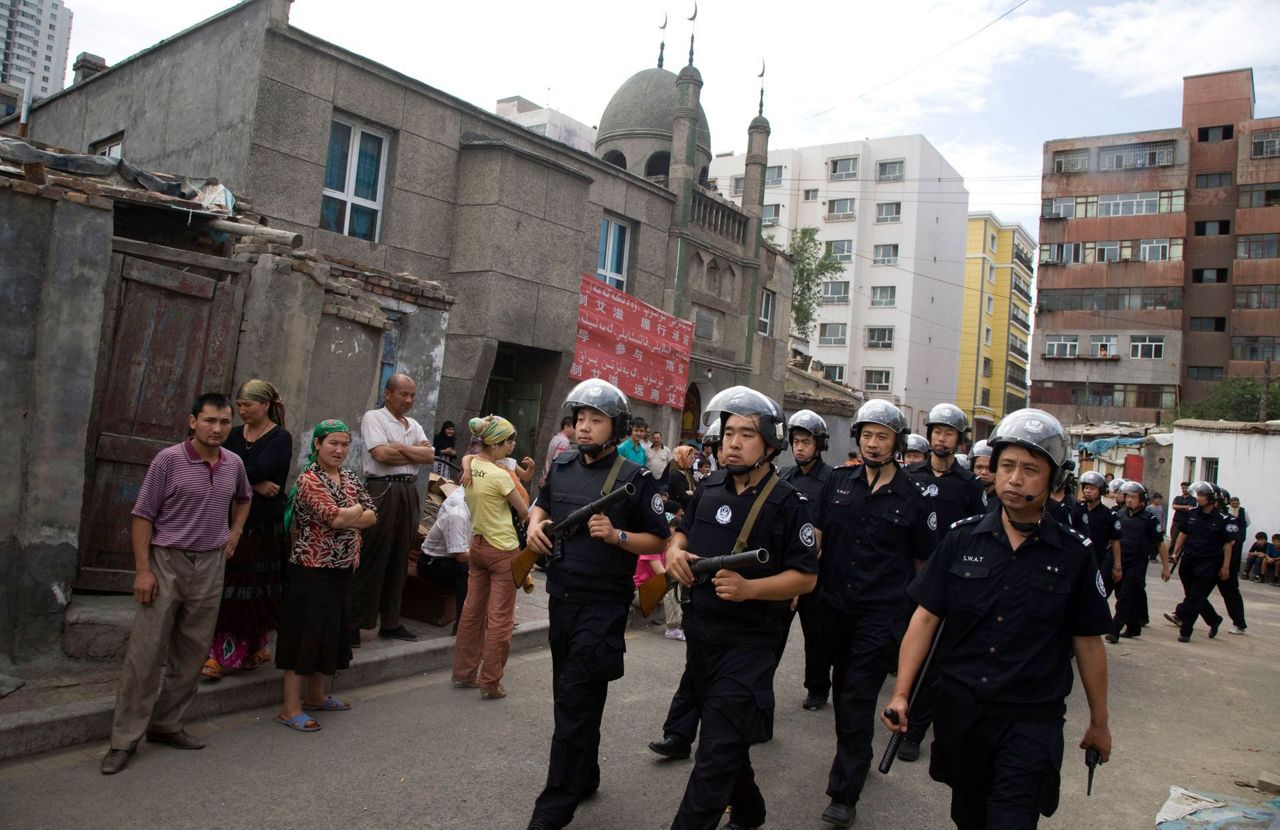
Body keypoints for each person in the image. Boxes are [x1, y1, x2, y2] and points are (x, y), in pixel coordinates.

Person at [883, 408, 1112, 830]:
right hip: (963, 714)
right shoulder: (961, 538)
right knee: (968, 817)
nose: (1014, 478)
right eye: (1007, 465)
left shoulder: (1075, 554)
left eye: (1030, 469)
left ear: (1054, 479)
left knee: (1011, 819)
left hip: (1031, 719)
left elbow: (1088, 643)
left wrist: (1099, 722)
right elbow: (926, 619)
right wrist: (900, 693)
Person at [660, 386, 818, 830]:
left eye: (746, 434)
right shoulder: (708, 486)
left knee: (714, 752)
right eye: (729, 432)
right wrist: (674, 551)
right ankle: (749, 811)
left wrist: (750, 589)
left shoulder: (788, 503)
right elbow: (681, 532)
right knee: (726, 741)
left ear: (769, 444)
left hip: (749, 646)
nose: (733, 442)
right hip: (702, 636)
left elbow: (806, 577)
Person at [525, 380, 670, 830]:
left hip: (603, 606)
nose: (583, 429)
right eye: (579, 420)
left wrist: (618, 536)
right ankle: (584, 775)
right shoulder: (563, 464)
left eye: (595, 420)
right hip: (561, 598)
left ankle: (553, 808)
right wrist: (534, 525)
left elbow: (660, 538)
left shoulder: (634, 479)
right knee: (569, 698)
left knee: (575, 700)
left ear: (617, 427)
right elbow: (541, 504)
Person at [101, 393, 252, 775]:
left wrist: (234, 531)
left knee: (192, 652)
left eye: (223, 422)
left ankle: (166, 724)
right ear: (192, 421)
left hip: (211, 564)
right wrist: (143, 570)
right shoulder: (168, 460)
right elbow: (142, 515)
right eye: (209, 421)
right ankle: (124, 740)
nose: (217, 429)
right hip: (167, 560)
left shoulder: (233, 463)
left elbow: (244, 498)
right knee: (146, 653)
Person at [815, 400, 937, 827]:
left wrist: (914, 617)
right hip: (834, 607)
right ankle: (858, 753)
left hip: (879, 615)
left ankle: (844, 793)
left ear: (896, 442)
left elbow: (923, 565)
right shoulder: (839, 481)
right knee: (841, 685)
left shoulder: (913, 496)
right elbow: (819, 538)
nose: (872, 443)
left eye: (881, 436)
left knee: (857, 695)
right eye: (866, 435)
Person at [275, 420, 377, 732]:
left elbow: (373, 514)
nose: (339, 450)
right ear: (317, 444)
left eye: (345, 444)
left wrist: (353, 513)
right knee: (302, 633)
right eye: (333, 443)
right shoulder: (309, 480)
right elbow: (333, 519)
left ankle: (317, 695)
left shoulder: (348, 477)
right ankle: (290, 707)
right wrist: (354, 512)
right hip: (311, 568)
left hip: (344, 567)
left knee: (329, 632)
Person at [898, 403, 986, 763]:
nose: (941, 438)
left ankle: (915, 731)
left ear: (959, 440)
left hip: (949, 584)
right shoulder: (910, 476)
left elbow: (977, 536)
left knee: (935, 662)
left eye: (949, 433)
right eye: (936, 431)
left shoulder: (969, 486)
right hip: (910, 579)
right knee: (906, 652)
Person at [202, 379, 291, 681]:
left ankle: (253, 646)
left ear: (265, 405)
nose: (241, 411)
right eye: (238, 405)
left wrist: (245, 477)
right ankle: (223, 653)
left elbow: (248, 468)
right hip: (230, 521)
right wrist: (253, 484)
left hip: (263, 527)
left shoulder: (280, 438)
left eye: (247, 405)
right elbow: (217, 464)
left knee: (256, 589)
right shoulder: (234, 435)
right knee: (231, 589)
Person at [452, 416, 530, 699]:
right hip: (504, 551)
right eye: (509, 441)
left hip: (478, 545)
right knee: (500, 619)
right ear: (496, 444)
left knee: (472, 613)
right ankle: (490, 681)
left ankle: (463, 673)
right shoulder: (501, 476)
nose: (512, 445)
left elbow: (467, 458)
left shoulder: (472, 465)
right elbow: (524, 513)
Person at [354, 373, 434, 645]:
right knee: (373, 553)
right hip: (382, 489)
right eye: (404, 394)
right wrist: (413, 451)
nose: (409, 400)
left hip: (408, 490)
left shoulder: (413, 424)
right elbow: (381, 455)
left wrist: (400, 448)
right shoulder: (374, 418)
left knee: (401, 556)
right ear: (388, 394)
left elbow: (429, 456)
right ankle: (356, 621)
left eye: (412, 395)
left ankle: (391, 621)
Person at [779, 410, 835, 713]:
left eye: (806, 442)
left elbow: (827, 530)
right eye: (796, 441)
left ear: (819, 444)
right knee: (773, 631)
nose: (800, 448)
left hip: (815, 572)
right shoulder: (784, 476)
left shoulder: (831, 479)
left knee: (816, 635)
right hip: (782, 569)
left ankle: (816, 688)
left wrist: (806, 574)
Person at [1163, 481, 1234, 642]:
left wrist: (1225, 567)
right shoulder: (1192, 513)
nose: (1198, 498)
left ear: (1212, 498)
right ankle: (1214, 619)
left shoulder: (1223, 519)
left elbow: (1228, 545)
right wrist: (1174, 553)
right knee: (1194, 596)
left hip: (1208, 563)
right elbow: (1183, 534)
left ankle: (1185, 629)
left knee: (1195, 595)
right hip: (1188, 560)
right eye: (1198, 495)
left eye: (1202, 495)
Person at [1107, 481, 1169, 642]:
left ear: (1142, 500)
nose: (1129, 500)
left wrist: (1166, 567)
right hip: (1119, 562)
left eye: (1133, 497)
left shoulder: (1149, 519)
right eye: (1127, 497)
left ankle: (1114, 630)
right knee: (1123, 596)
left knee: (1126, 597)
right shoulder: (1118, 515)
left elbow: (1160, 544)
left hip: (1137, 565)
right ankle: (1134, 626)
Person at [419, 486, 472, 635]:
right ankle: (463, 627)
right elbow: (460, 556)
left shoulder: (478, 512)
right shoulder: (458, 515)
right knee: (466, 573)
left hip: (450, 559)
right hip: (432, 562)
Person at [1072, 471, 1123, 598]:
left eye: (1092, 488)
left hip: (1098, 562)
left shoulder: (1109, 515)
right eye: (1086, 488)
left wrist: (1117, 566)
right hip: (1076, 560)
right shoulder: (1076, 510)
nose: (1088, 491)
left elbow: (1115, 542)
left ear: (1101, 491)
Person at [664, 444, 698, 516]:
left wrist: (691, 492)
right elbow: (683, 496)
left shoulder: (687, 471)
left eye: (693, 458)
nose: (693, 461)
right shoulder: (675, 474)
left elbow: (693, 489)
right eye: (690, 458)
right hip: (676, 512)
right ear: (682, 458)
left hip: (686, 509)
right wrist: (689, 493)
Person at [544, 416, 575, 482]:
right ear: (566, 427)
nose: (575, 431)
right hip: (556, 478)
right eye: (574, 427)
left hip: (550, 474)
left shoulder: (556, 438)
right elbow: (559, 463)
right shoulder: (564, 442)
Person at [1169, 481, 1196, 551]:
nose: (1184, 489)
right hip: (1176, 521)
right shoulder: (1177, 498)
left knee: (1184, 539)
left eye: (1185, 488)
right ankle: (1171, 554)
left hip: (1186, 521)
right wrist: (1184, 507)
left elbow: (1190, 508)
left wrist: (1180, 507)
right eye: (1183, 488)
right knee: (1173, 537)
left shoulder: (1193, 499)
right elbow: (1174, 506)